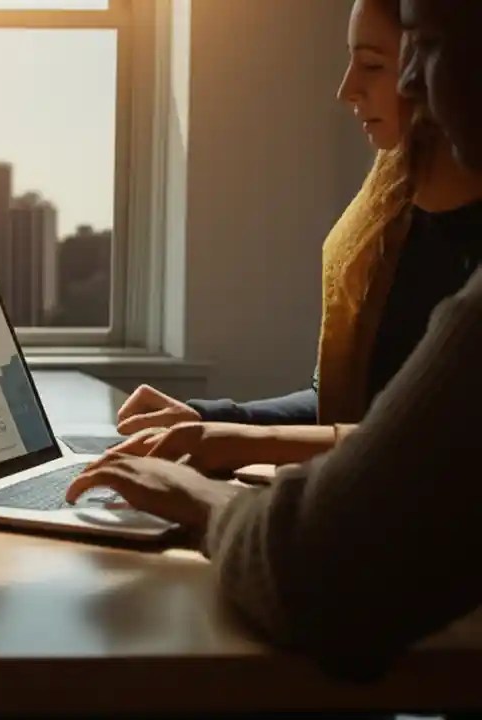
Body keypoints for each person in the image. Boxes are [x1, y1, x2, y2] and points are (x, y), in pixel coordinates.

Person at [67, 0, 482, 680]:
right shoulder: (395, 218)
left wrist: (205, 498)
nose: (357, 89)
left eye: (421, 49)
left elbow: (318, 568)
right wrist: (214, 424)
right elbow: (367, 408)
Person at [108, 0, 482, 477]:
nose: (346, 89)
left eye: (372, 65)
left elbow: (427, 445)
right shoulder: (392, 220)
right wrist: (209, 420)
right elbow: (339, 404)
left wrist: (235, 443)